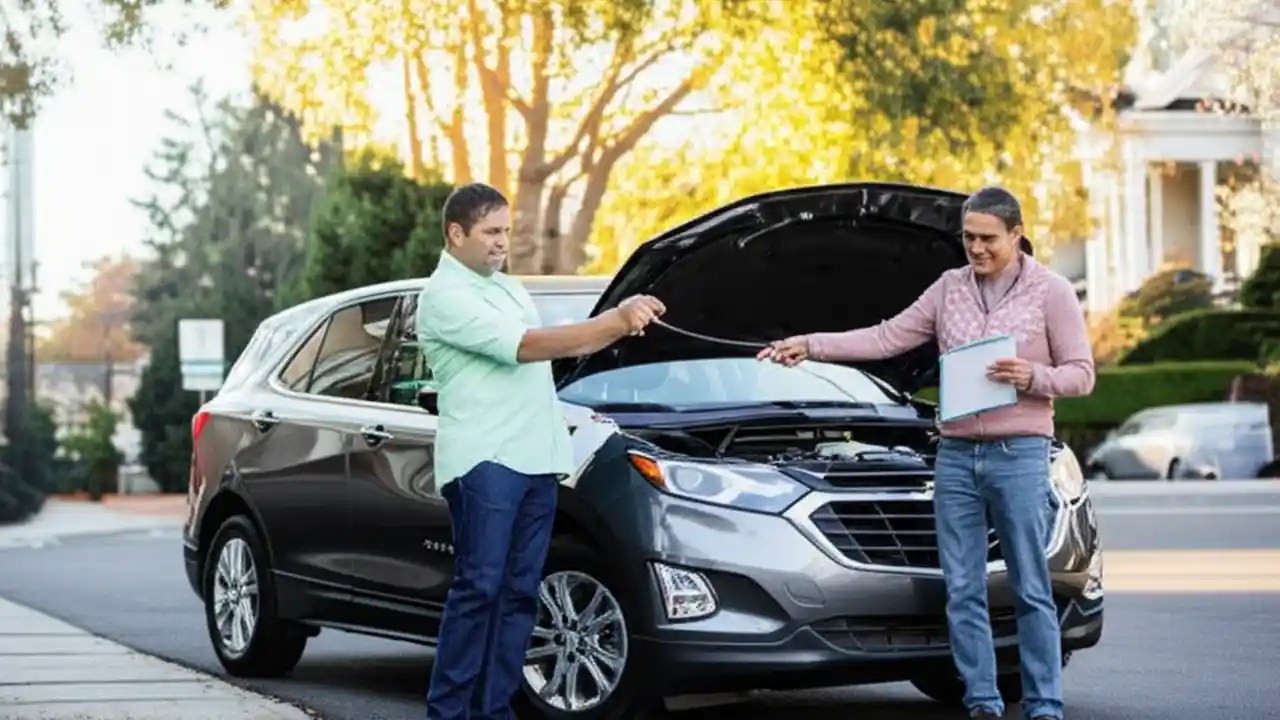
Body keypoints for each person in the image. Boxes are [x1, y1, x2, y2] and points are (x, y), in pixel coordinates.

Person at [758, 186, 1095, 720]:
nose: (976, 248)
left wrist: (1032, 376)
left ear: (1016, 234)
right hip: (956, 456)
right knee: (962, 588)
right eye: (968, 237)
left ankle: (1043, 702)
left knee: (1031, 586)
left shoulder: (1051, 291)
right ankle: (981, 700)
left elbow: (1082, 375)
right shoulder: (948, 288)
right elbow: (886, 338)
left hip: (1020, 454)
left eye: (988, 239)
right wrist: (811, 344)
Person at [417, 183, 665, 720]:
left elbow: (560, 350)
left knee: (520, 594)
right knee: (480, 588)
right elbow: (527, 347)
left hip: (537, 459)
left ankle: (494, 712)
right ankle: (449, 713)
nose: (502, 242)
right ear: (456, 233)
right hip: (486, 461)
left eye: (506, 231)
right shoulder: (444, 296)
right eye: (491, 232)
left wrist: (617, 331)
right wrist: (617, 319)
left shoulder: (509, 290)